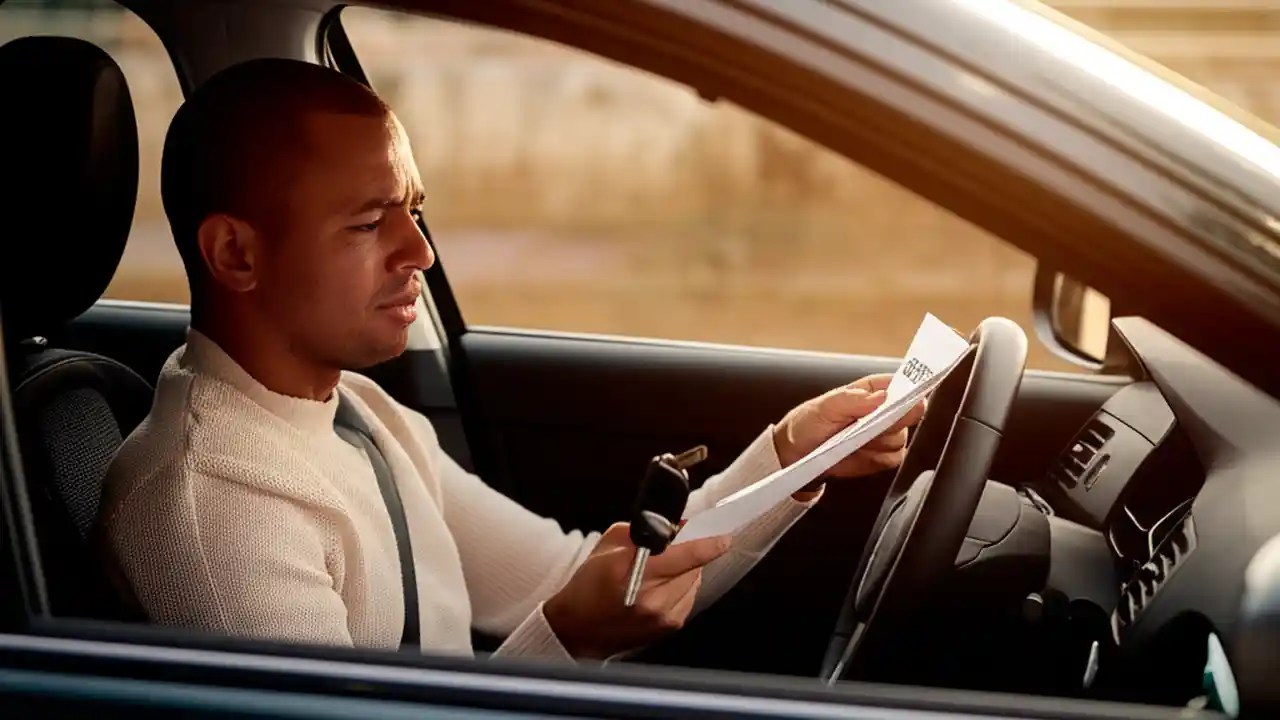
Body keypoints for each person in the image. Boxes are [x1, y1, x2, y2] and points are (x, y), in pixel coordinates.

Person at [98, 58, 923, 661]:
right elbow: (562, 612)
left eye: (415, 211)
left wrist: (790, 454)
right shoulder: (212, 505)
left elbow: (569, 575)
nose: (418, 251)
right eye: (367, 223)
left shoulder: (357, 413)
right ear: (236, 256)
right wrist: (564, 641)